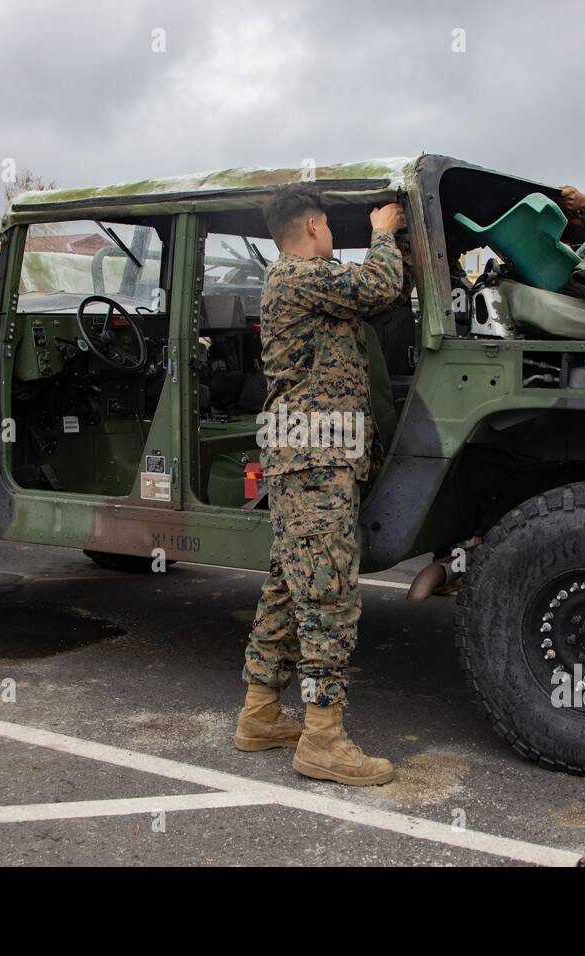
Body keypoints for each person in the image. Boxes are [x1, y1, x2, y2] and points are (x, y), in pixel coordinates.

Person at [235, 183, 406, 786]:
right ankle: (323, 737)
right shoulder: (298, 275)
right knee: (328, 596)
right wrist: (384, 231)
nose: (333, 238)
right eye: (330, 227)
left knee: (288, 588)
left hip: (309, 457)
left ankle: (259, 716)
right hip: (313, 459)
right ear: (312, 226)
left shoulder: (299, 279)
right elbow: (380, 287)